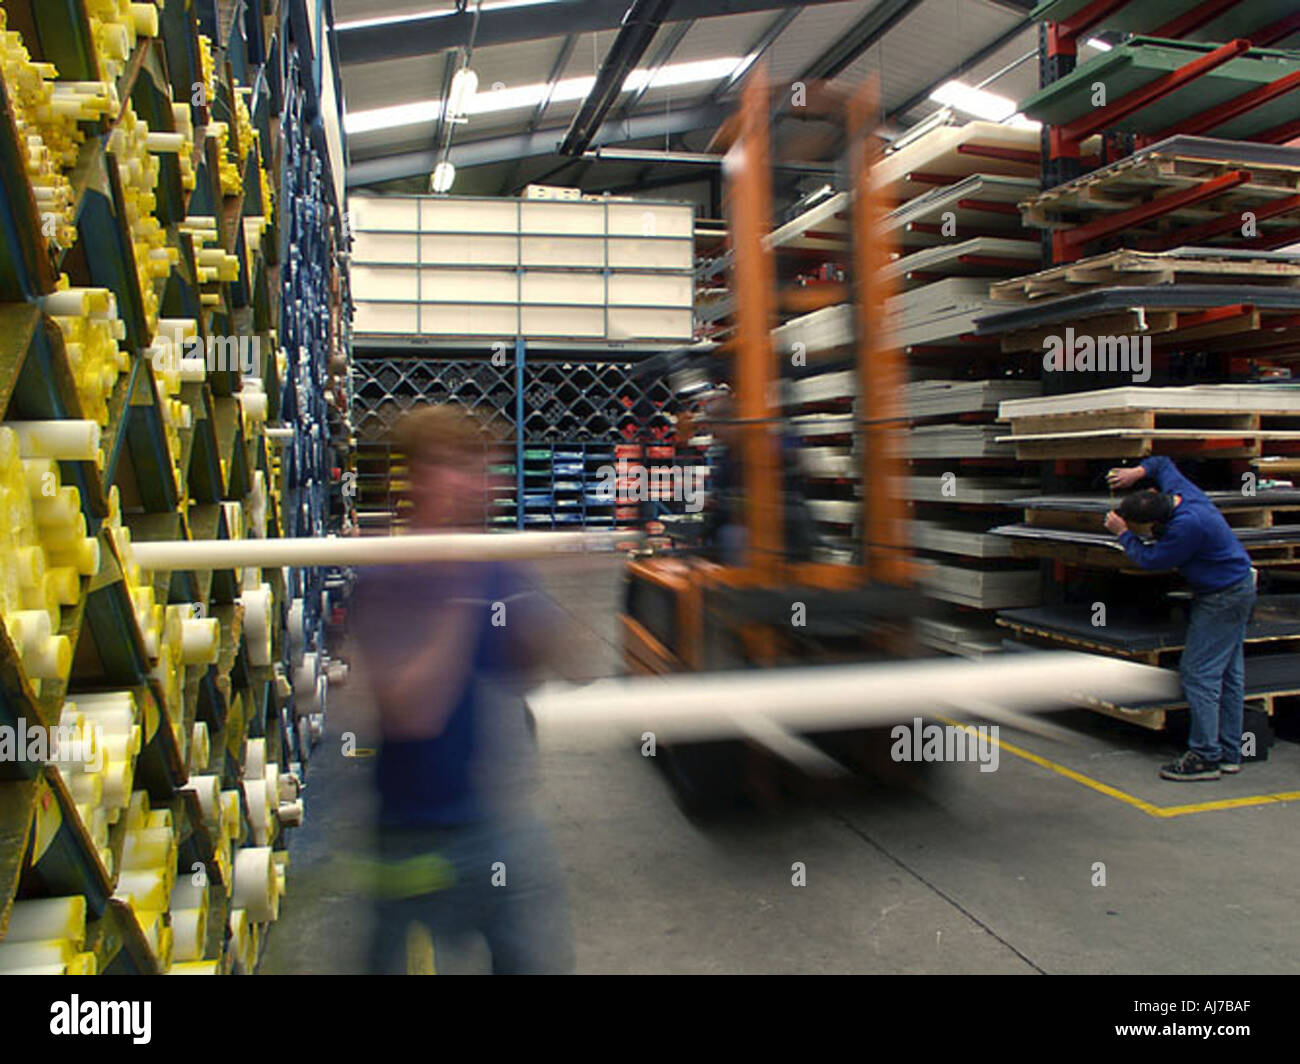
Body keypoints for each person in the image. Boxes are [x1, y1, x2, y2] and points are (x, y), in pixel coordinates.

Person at [351, 404, 573, 973]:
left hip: (489, 824)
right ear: (415, 478)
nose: (476, 481)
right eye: (454, 465)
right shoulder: (385, 575)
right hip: (406, 834)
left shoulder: (495, 568)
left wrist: (550, 599)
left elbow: (542, 668)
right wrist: (460, 592)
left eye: (479, 466)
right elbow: (410, 711)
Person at [1104, 457, 1257, 782]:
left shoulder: (1186, 526)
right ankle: (1229, 752)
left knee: (1199, 674)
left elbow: (1152, 559)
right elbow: (1161, 463)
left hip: (1223, 596)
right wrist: (1136, 473)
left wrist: (1124, 535)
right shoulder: (1180, 491)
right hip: (1239, 584)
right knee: (1229, 673)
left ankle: (1205, 756)